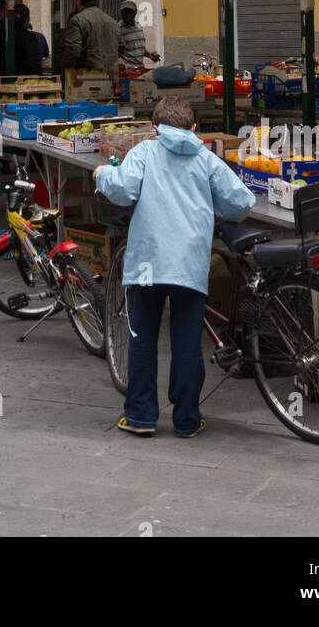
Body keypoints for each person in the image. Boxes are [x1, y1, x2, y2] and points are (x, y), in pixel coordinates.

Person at [93, 96, 255, 438]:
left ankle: (140, 415)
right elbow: (241, 203)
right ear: (194, 128)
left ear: (155, 128)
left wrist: (102, 172)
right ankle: (186, 419)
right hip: (188, 265)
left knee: (142, 339)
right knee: (186, 342)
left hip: (147, 263)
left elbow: (122, 190)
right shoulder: (207, 160)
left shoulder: (144, 152)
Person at [60, 0, 122, 75]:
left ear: (78, 1)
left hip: (88, 78)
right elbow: (121, 47)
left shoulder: (77, 20)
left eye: (73, 0)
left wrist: (65, 71)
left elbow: (72, 51)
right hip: (110, 77)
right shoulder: (112, 21)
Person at [118, 0, 161, 68]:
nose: (126, 14)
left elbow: (139, 48)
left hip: (140, 68)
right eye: (124, 12)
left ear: (135, 12)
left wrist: (149, 55)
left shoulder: (138, 26)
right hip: (128, 70)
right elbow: (113, 51)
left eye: (129, 12)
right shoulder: (118, 29)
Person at [15, 2, 49, 74]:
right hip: (28, 78)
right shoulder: (34, 37)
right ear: (28, 19)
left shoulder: (6, 36)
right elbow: (35, 60)